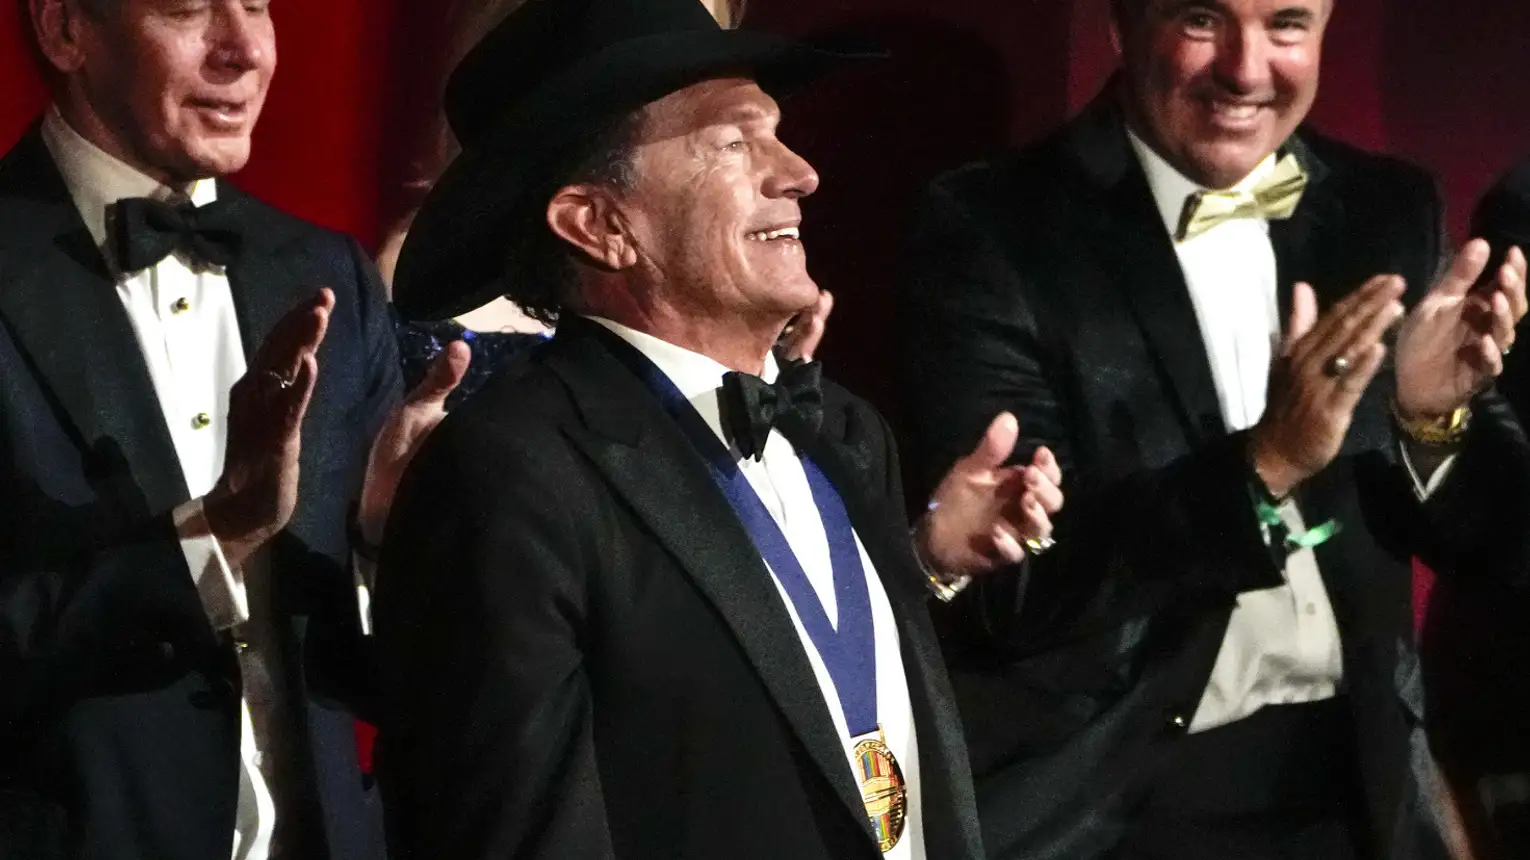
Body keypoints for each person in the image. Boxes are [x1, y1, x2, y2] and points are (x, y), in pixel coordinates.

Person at [373, 0, 1062, 858]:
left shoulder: (845, 435)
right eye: (736, 144)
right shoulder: (509, 475)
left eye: (777, 132)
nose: (801, 172)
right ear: (601, 225)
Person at [902, 1, 1530, 858]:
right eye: (1203, 19)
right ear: (1123, 25)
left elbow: (1499, 547)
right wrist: (1263, 463)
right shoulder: (994, 228)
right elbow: (1009, 590)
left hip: (1362, 790)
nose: (1246, 69)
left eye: (1287, 25)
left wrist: (1431, 420)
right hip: (1116, 802)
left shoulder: (1387, 209)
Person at [0, 1, 467, 858]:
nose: (244, 50)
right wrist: (208, 536)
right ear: (66, 28)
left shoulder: (329, 273)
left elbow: (375, 673)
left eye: (258, 5)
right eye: (188, 9)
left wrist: (380, 534)